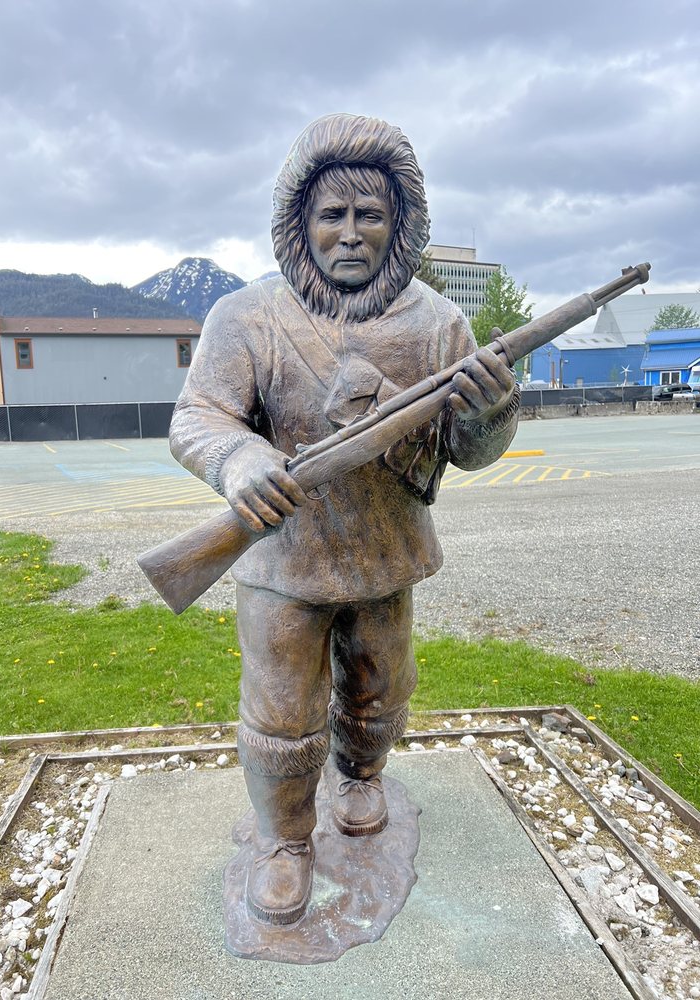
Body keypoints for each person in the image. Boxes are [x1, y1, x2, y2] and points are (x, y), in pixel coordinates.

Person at [169, 114, 520, 926]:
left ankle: (361, 776)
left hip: (385, 554)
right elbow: (200, 416)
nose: (352, 234)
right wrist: (239, 460)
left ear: (401, 223)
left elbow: (466, 451)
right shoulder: (246, 317)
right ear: (299, 221)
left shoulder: (439, 324)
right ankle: (287, 841)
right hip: (281, 562)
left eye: (371, 214)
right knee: (281, 714)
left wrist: (492, 412)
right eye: (332, 214)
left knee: (380, 692)